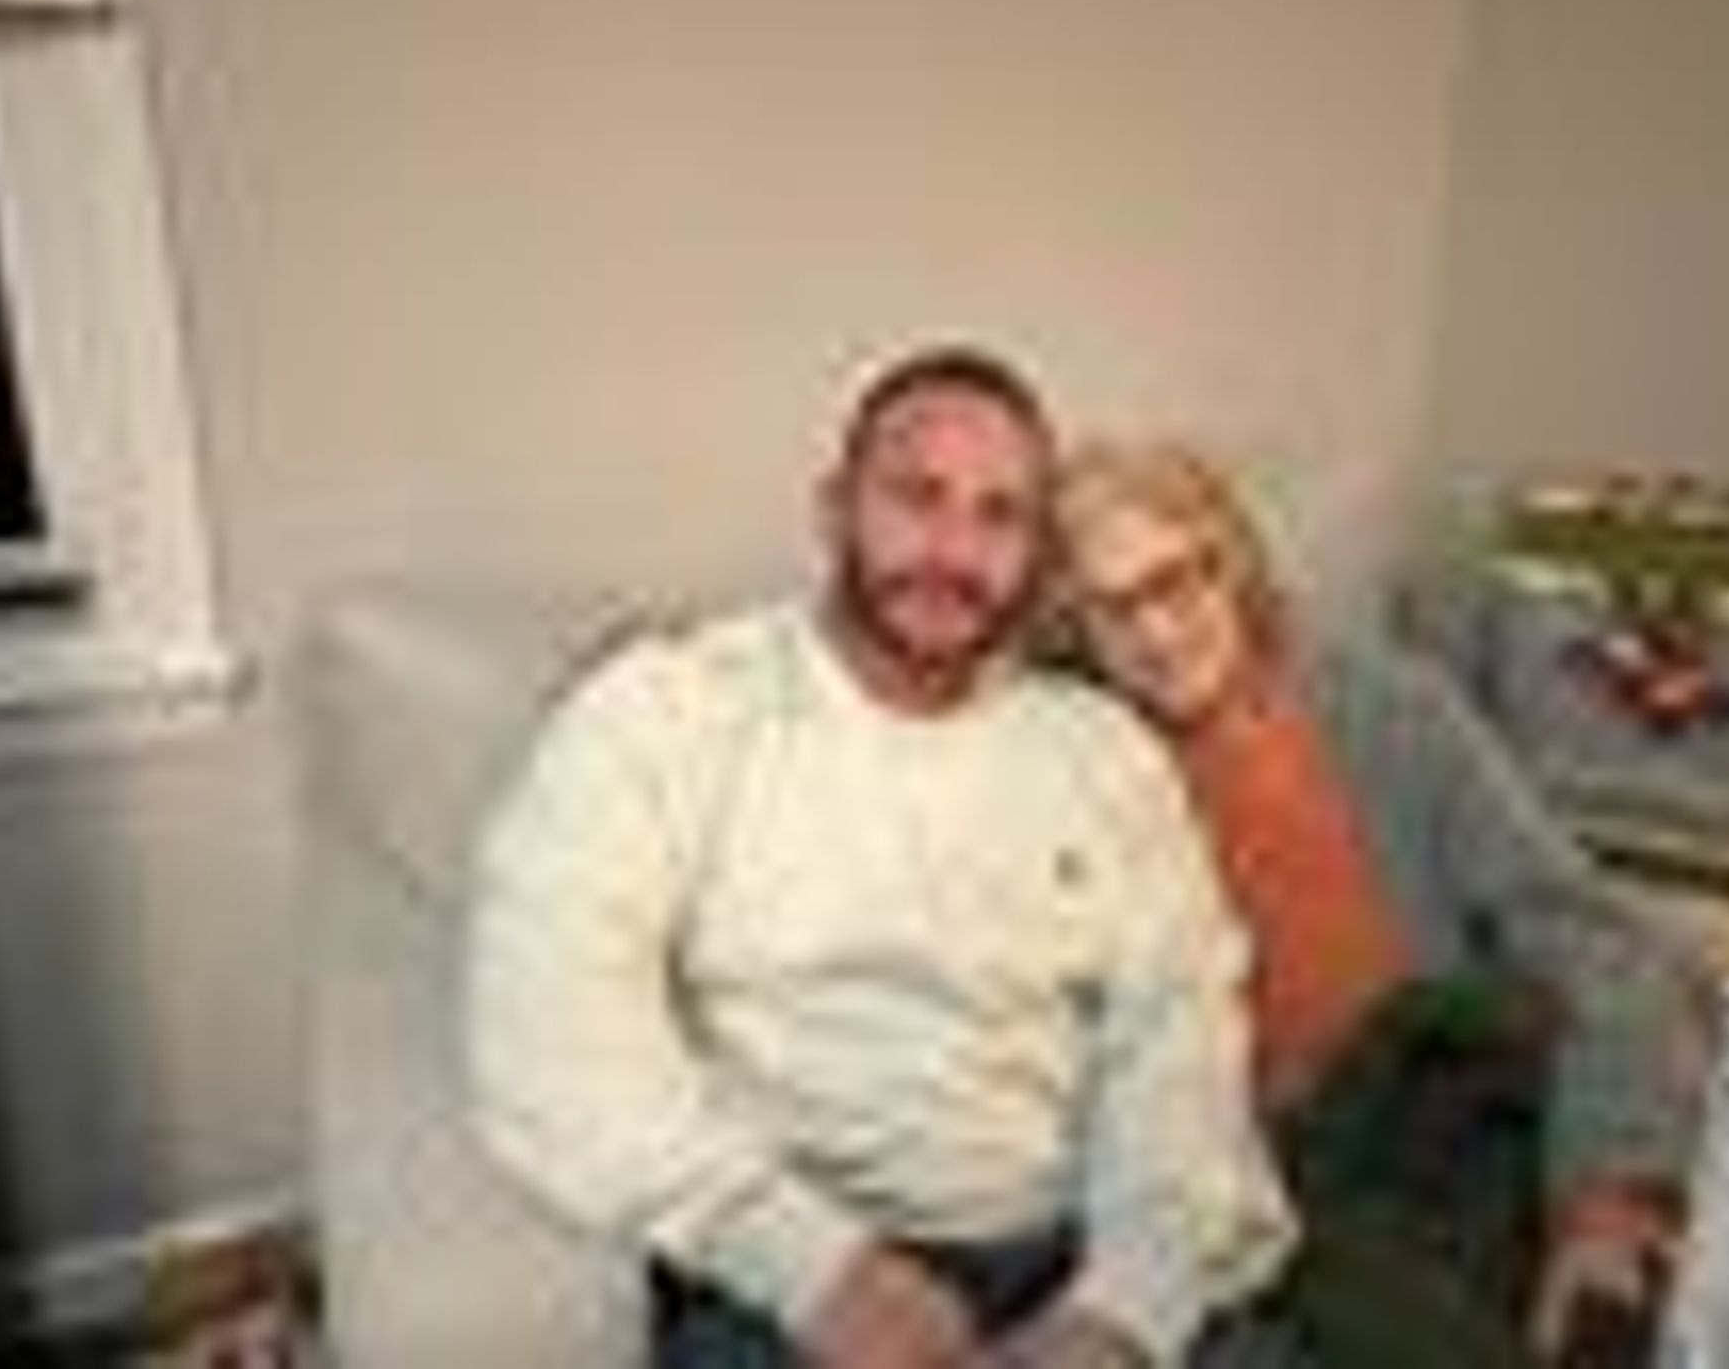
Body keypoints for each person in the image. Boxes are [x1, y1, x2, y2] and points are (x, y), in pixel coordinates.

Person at [464, 351, 1297, 1369]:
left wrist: (1121, 1312)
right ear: (834, 509)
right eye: (917, 497)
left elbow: (1178, 1036)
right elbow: (547, 1015)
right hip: (787, 1270)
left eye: (1000, 516)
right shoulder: (674, 708)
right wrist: (812, 1267)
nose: (953, 550)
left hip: (1077, 1263)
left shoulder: (1100, 750)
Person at [1051, 442, 1696, 1369]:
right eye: (1111, 610)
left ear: (1233, 562)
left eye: (1177, 581)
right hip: (1271, 1181)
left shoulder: (1395, 710)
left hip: (1450, 1114)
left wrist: (1607, 1196)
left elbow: (1588, 932)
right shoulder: (1084, 770)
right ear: (1076, 633)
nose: (1157, 634)